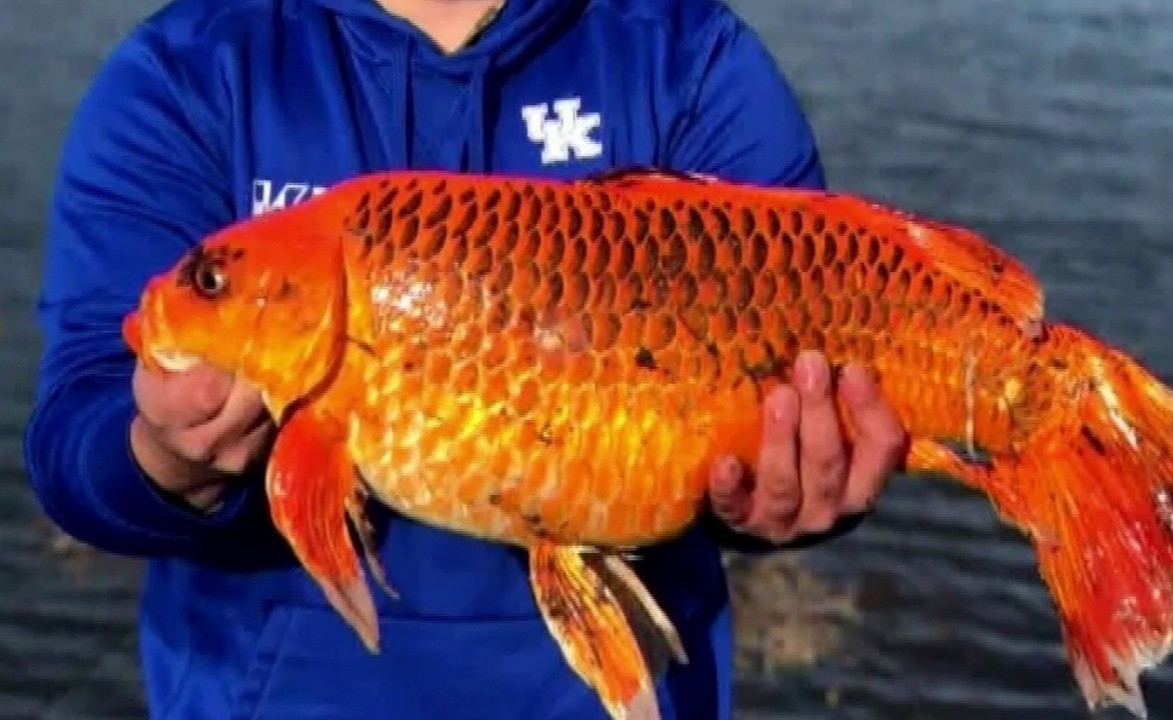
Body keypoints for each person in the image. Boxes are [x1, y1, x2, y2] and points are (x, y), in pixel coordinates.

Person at [23, 0, 906, 717]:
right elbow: (75, 439)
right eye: (212, 280)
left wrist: (794, 494)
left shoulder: (687, 57)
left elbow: (816, 385)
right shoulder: (188, 71)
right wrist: (161, 459)